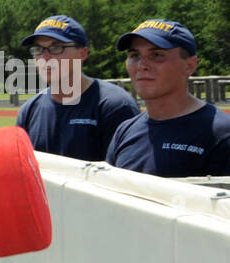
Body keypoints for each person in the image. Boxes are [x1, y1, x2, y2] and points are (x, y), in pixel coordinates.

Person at [105, 19, 230, 178]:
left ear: (190, 66)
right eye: (134, 55)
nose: (141, 65)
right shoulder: (125, 131)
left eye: (156, 55)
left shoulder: (221, 135)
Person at [14, 15, 139, 161]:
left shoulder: (115, 107)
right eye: (38, 49)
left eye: (56, 47)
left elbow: (125, 178)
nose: (45, 56)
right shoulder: (29, 110)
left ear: (82, 53)